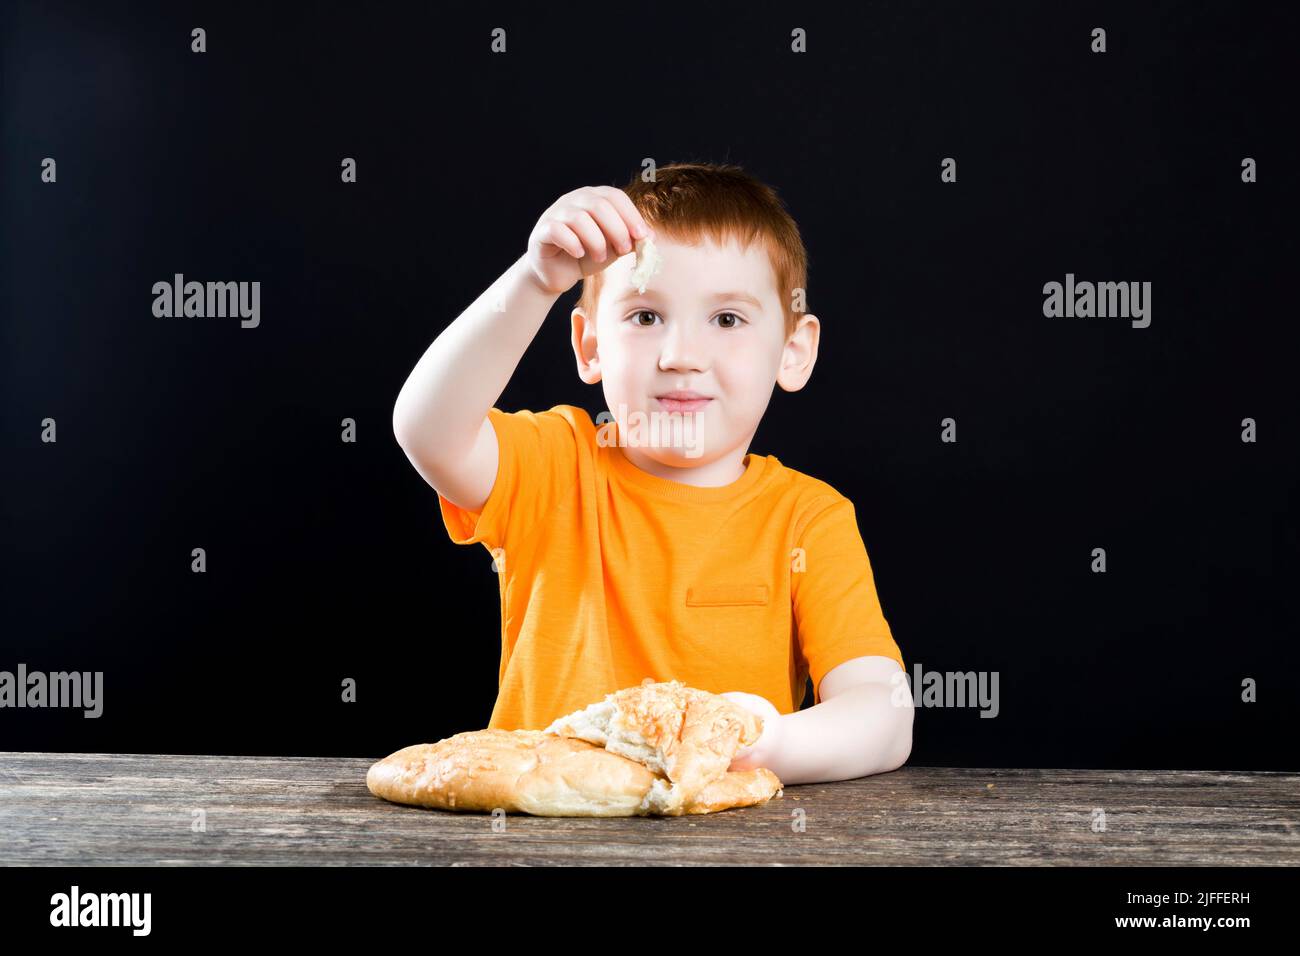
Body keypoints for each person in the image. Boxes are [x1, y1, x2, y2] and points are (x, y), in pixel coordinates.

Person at [392, 162, 912, 784]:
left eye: (727, 320)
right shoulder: (555, 468)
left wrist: (760, 740)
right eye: (644, 317)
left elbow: (884, 713)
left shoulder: (808, 519)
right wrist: (536, 280)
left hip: (731, 850)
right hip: (542, 842)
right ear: (589, 347)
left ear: (792, 351)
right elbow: (426, 428)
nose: (681, 357)